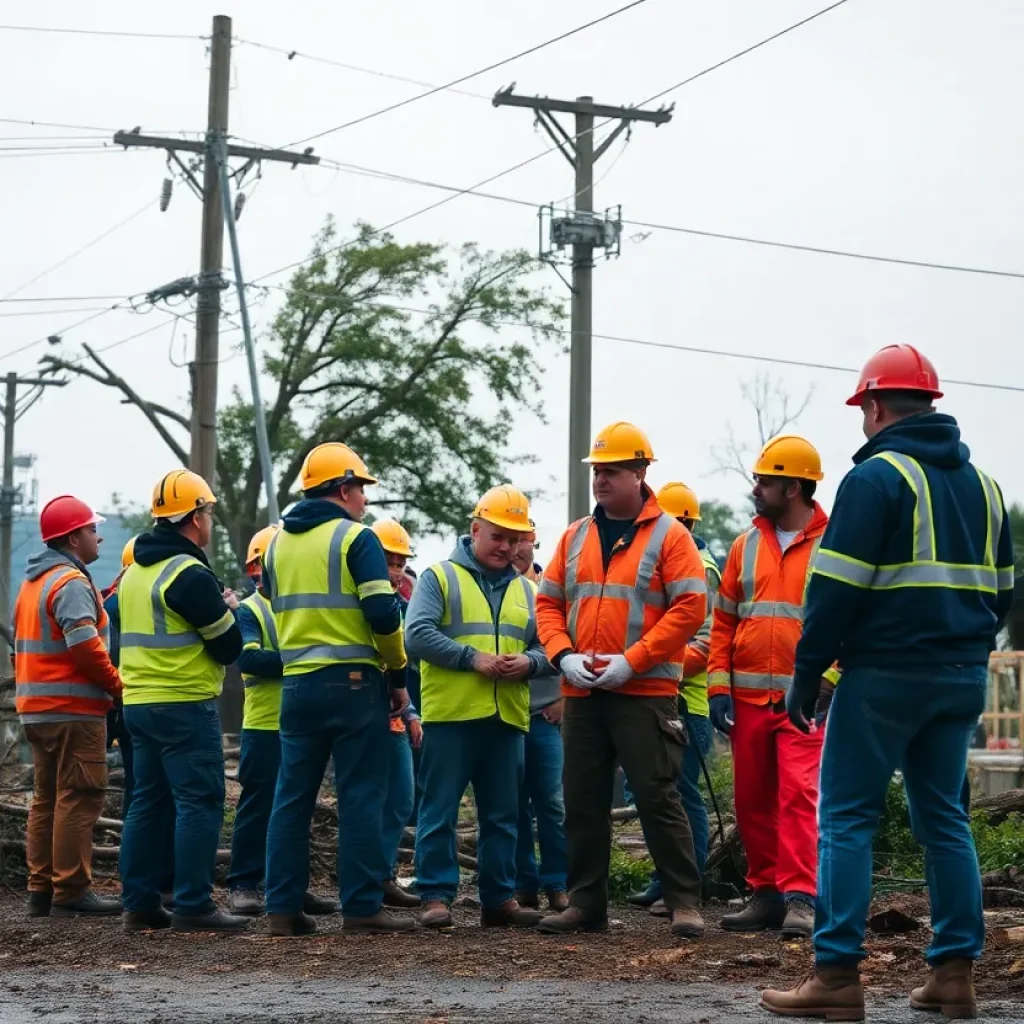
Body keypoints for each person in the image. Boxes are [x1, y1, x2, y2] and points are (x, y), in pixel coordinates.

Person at [761, 345, 1015, 1021]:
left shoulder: (876, 478)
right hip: (961, 676)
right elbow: (1003, 594)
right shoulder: (987, 488)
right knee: (946, 821)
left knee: (846, 818)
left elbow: (835, 591)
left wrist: (807, 673)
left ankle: (837, 976)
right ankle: (954, 975)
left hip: (884, 677)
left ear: (873, 406)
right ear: (930, 404)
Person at [534, 422, 708, 938]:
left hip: (645, 691)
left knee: (657, 796)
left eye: (611, 471)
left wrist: (633, 660)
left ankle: (683, 901)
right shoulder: (575, 535)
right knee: (582, 799)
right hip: (583, 691)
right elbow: (548, 602)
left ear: (640, 473)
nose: (600, 480)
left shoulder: (671, 536)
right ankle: (585, 904)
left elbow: (690, 607)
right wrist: (562, 654)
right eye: (597, 471)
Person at [262, 443, 413, 937]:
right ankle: (362, 907)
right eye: (362, 490)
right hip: (353, 684)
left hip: (296, 684)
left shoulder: (276, 544)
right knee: (362, 795)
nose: (365, 500)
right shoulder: (356, 538)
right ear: (344, 489)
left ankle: (282, 909)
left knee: (291, 798)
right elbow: (382, 614)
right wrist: (397, 675)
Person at [707, 435, 838, 940]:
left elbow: (847, 621)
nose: (756, 488)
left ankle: (801, 897)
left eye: (764, 481)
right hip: (747, 700)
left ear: (794, 487)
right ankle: (765, 894)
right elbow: (723, 621)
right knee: (752, 800)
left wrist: (828, 680)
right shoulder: (745, 545)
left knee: (799, 796)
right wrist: (718, 687)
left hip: (803, 701)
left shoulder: (833, 545)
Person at [407, 485, 549, 930]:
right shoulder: (439, 577)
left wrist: (529, 663)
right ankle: (435, 896)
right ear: (474, 530)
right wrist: (472, 658)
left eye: (515, 539)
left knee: (504, 816)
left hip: (506, 718)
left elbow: (548, 646)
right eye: (498, 536)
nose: (506, 547)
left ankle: (498, 899)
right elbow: (417, 635)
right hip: (452, 717)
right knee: (439, 811)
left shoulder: (528, 591)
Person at [118, 470, 246, 933]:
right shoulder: (188, 574)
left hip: (138, 703)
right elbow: (229, 647)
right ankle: (193, 905)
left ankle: (139, 905)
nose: (209, 521)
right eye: (208, 512)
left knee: (146, 803)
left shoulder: (134, 573)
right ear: (194, 518)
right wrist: (230, 610)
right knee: (199, 801)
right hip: (183, 703)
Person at [14, 495, 122, 918]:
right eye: (93, 529)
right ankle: (71, 890)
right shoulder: (71, 583)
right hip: (74, 710)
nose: (99, 537)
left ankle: (40, 890)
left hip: (37, 709)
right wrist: (117, 686)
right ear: (74, 538)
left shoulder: (32, 584)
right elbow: (84, 647)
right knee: (79, 796)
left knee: (46, 799)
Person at [226, 525, 339, 918]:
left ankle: (290, 887)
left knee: (297, 807)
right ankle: (243, 884)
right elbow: (249, 658)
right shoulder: (249, 610)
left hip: (301, 723)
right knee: (258, 805)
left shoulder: (300, 607)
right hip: (264, 725)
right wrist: (305, 659)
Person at [627, 481, 720, 913]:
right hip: (659, 696)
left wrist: (655, 665)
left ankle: (687, 883)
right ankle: (665, 878)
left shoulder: (700, 568)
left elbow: (707, 642)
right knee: (659, 793)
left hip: (686, 703)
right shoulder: (661, 561)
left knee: (682, 796)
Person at [101, 537, 175, 906]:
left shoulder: (112, 599)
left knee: (142, 794)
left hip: (128, 707)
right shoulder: (132, 599)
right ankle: (161, 882)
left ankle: (139, 885)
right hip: (148, 701)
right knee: (159, 795)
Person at [511, 522, 568, 913]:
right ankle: (523, 885)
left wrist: (566, 698)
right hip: (505, 716)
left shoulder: (550, 590)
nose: (515, 548)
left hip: (544, 716)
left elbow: (571, 644)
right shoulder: (490, 592)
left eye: (523, 541)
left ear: (534, 544)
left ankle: (558, 884)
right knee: (512, 805)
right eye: (508, 540)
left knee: (551, 803)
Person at [371, 518, 424, 910]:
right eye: (388, 562)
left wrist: (411, 714)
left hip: (394, 717)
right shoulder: (363, 607)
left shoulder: (402, 609)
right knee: (370, 799)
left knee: (402, 798)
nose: (395, 571)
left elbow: (401, 669)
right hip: (363, 715)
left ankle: (381, 874)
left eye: (400, 564)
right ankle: (369, 878)